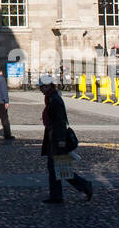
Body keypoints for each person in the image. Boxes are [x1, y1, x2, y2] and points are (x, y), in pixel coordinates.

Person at [38, 73, 92, 203]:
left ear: (47, 86)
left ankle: (84, 186)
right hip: (53, 138)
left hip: (57, 139)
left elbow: (61, 121)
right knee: (55, 168)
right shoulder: (51, 98)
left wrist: (61, 141)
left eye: (41, 87)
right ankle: (56, 195)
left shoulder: (54, 99)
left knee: (61, 168)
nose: (40, 89)